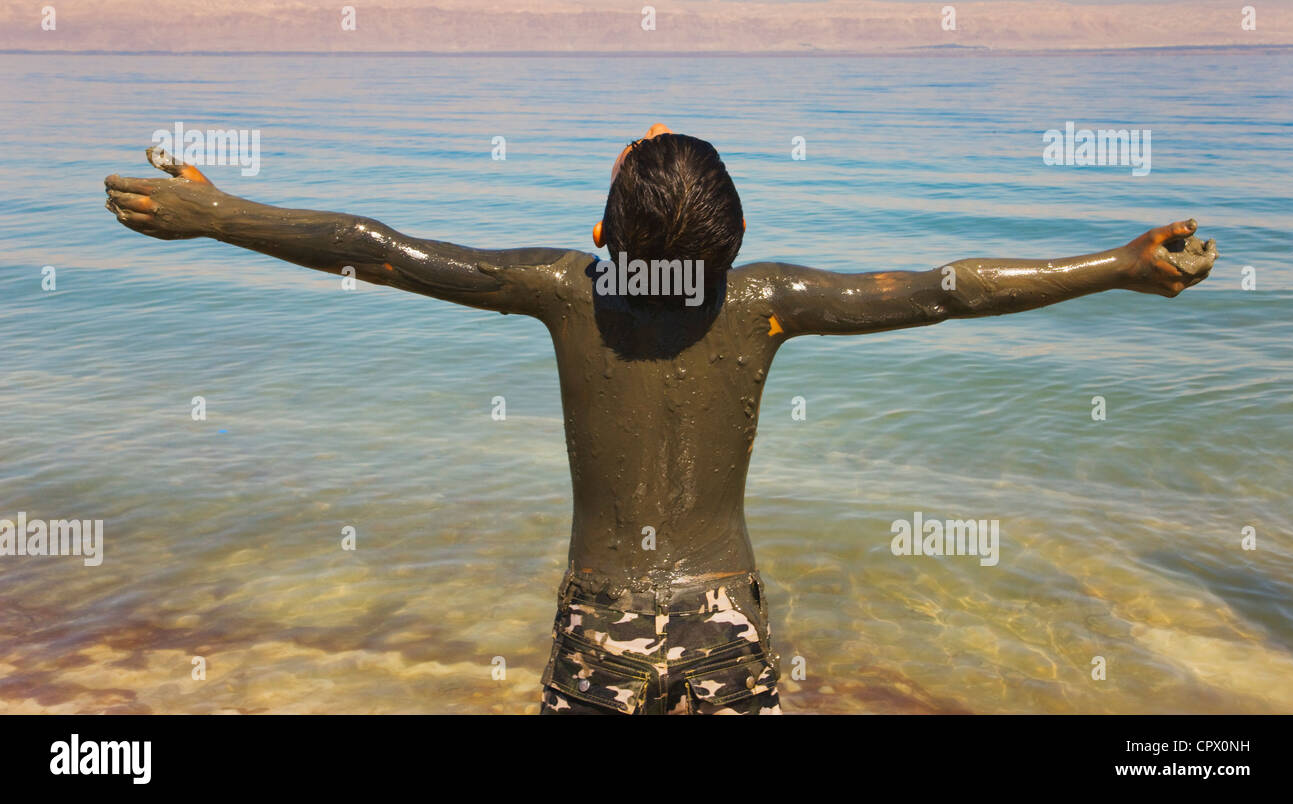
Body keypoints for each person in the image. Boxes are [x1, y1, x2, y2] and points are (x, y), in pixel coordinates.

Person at [103, 123, 1218, 714]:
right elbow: (945, 285)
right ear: (730, 235)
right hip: (722, 620)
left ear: (603, 222)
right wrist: (1117, 265)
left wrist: (218, 214)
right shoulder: (765, 301)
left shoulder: (561, 286)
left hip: (600, 626)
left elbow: (372, 245)